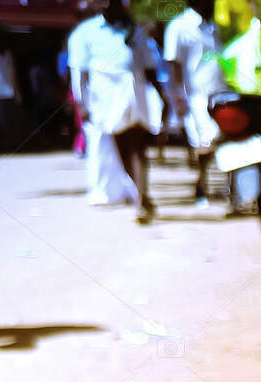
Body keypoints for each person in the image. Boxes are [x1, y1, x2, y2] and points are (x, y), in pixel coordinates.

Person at [68, 0, 166, 223]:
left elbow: (150, 67)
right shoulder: (85, 33)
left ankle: (142, 199)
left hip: (134, 93)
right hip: (105, 98)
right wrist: (82, 104)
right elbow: (79, 73)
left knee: (138, 146)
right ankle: (143, 196)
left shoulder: (134, 30)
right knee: (122, 148)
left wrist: (161, 98)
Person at [163, 0, 229, 208]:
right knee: (205, 144)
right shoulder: (179, 26)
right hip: (196, 97)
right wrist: (178, 98)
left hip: (225, 93)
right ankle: (202, 186)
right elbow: (173, 64)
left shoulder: (220, 23)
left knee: (228, 141)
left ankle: (232, 191)